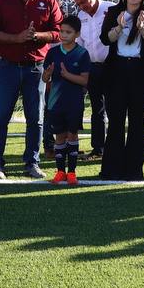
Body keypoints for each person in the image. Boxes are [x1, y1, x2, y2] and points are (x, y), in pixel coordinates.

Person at [0, 0, 63, 180]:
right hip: (8, 67)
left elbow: (58, 31)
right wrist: (16, 38)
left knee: (35, 118)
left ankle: (32, 162)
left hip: (36, 68)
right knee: (0, 117)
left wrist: (39, 36)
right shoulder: (2, 3)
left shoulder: (49, 2)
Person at [99, 0, 144, 181]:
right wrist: (119, 26)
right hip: (115, 72)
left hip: (140, 73)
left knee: (137, 122)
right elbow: (106, 40)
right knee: (115, 122)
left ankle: (134, 170)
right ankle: (111, 169)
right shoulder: (113, 11)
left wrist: (142, 27)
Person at [43, 18, 92, 185]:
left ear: (77, 34)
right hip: (55, 102)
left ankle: (72, 172)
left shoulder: (82, 54)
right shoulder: (52, 52)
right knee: (59, 136)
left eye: (68, 32)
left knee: (72, 135)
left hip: (74, 102)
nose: (63, 35)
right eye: (62, 31)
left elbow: (85, 81)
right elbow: (44, 79)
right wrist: (48, 74)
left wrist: (67, 75)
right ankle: (60, 172)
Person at [72, 0, 110, 161]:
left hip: (112, 67)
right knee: (97, 109)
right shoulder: (81, 16)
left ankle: (114, 147)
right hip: (92, 68)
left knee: (114, 109)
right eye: (78, 4)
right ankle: (98, 149)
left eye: (83, 2)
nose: (82, 7)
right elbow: (80, 44)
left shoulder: (110, 9)